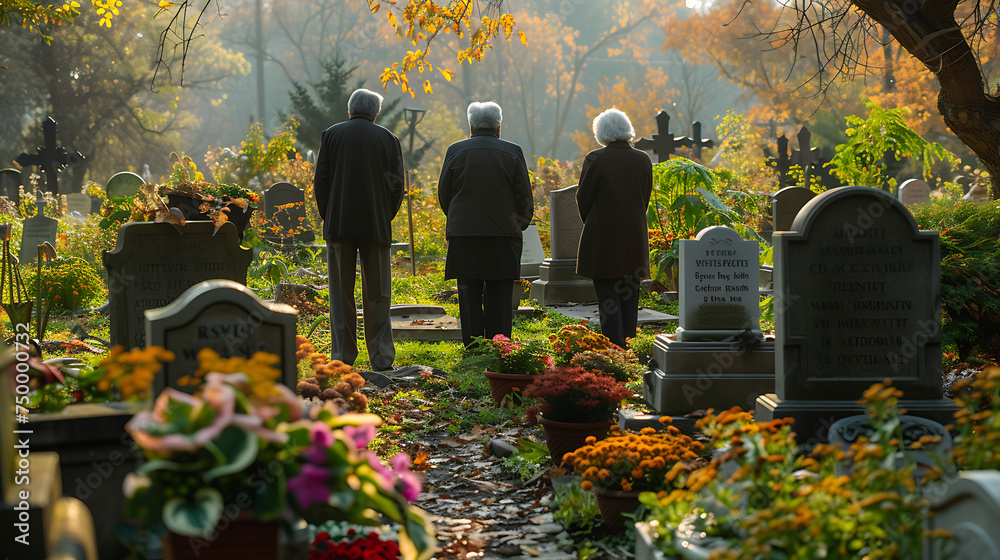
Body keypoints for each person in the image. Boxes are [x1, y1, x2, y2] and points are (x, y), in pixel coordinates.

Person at [313, 88, 404, 371]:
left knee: (340, 294)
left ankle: (342, 356)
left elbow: (321, 181)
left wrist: (329, 215)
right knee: (378, 293)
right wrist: (384, 215)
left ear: (349, 110)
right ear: (375, 112)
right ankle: (381, 357)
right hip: (376, 224)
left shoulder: (331, 135)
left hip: (339, 222)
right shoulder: (389, 139)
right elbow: (396, 186)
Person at [437, 101, 533, 346]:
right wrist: (516, 226)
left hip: (465, 236)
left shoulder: (455, 151)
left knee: (468, 294)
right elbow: (524, 198)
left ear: (471, 126)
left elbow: (444, 194)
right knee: (501, 295)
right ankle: (500, 347)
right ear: (498, 127)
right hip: (503, 235)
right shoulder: (513, 152)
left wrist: (459, 221)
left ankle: (472, 349)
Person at [576, 108, 653, 349]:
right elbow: (646, 197)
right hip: (634, 236)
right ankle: (629, 344)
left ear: (601, 132)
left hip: (604, 238)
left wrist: (593, 220)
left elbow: (583, 198)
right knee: (630, 294)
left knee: (608, 295)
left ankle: (612, 347)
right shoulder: (643, 159)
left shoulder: (595, 159)